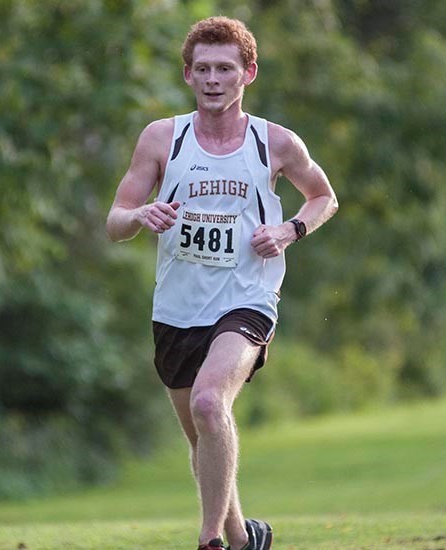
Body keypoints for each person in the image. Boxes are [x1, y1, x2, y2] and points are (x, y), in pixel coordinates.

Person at [106, 16, 338, 550]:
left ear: (248, 73)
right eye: (204, 69)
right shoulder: (162, 138)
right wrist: (140, 215)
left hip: (248, 299)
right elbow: (114, 222)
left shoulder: (274, 142)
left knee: (210, 404)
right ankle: (241, 536)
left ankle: (209, 540)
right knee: (203, 434)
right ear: (188, 75)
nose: (214, 79)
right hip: (177, 308)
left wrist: (289, 230)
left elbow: (323, 196)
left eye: (225, 69)